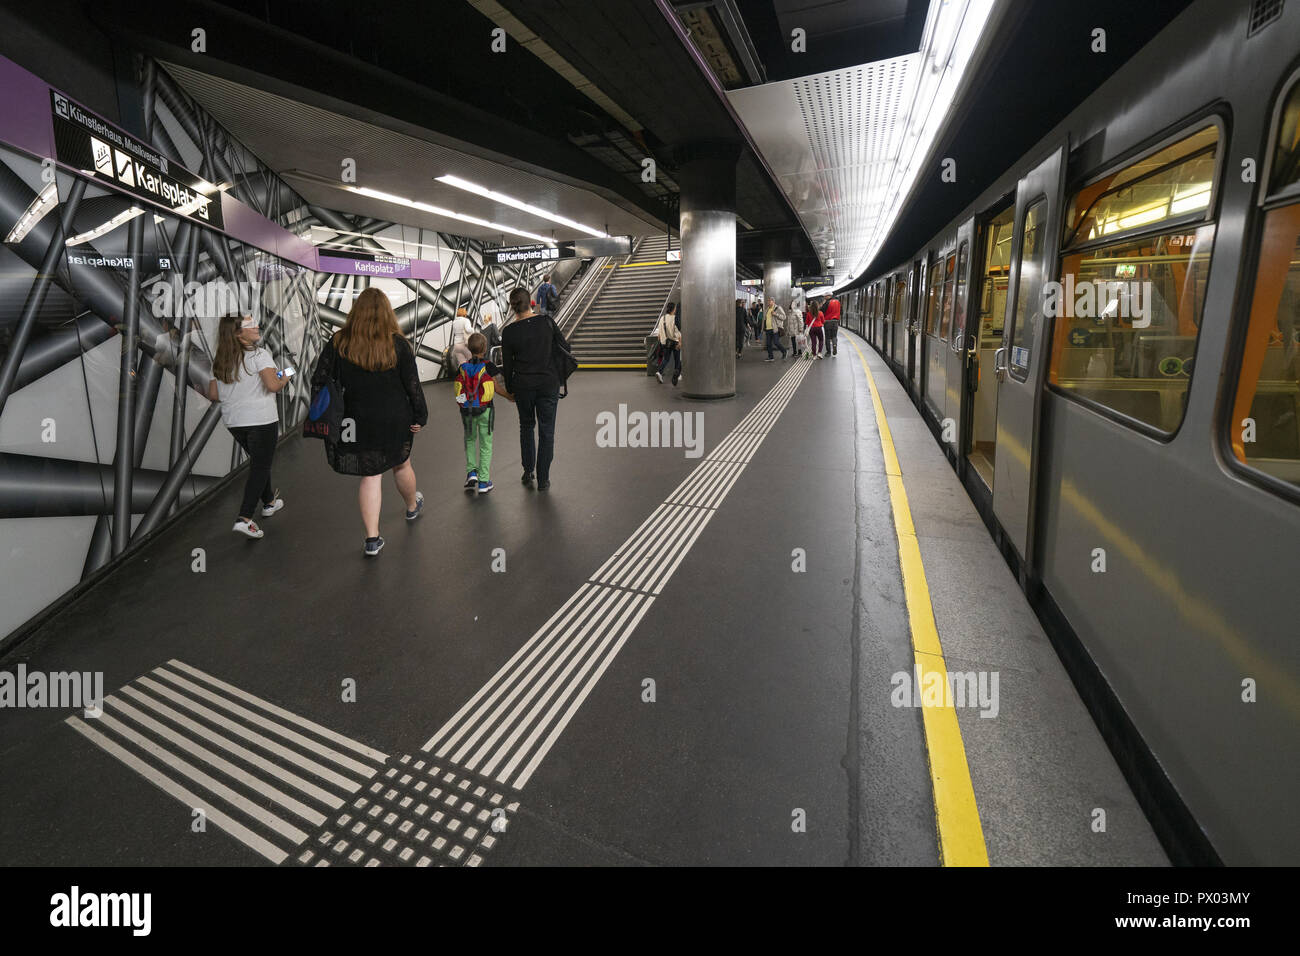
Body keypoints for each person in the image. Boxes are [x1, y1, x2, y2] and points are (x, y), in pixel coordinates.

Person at [311, 287, 427, 556]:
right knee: (401, 463)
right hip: (394, 417)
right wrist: (420, 415)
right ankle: (412, 506)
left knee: (370, 475)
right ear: (387, 312)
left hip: (356, 419)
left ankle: (372, 539)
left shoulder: (339, 342)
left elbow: (319, 379)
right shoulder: (397, 343)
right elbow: (412, 385)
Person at [207, 313, 290, 539]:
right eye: (250, 325)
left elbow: (213, 394)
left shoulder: (220, 359)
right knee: (260, 467)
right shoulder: (260, 355)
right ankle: (244, 518)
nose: (256, 326)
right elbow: (273, 384)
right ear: (237, 333)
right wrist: (287, 374)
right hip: (261, 421)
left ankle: (269, 502)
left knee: (259, 462)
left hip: (234, 422)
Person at [501, 286, 561, 490]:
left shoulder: (508, 332)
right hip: (548, 383)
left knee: (526, 426)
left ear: (512, 307)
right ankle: (543, 478)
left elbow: (507, 366)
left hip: (523, 386)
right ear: (531, 302)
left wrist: (510, 390)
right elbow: (564, 348)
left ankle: (528, 471)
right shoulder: (546, 322)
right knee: (547, 431)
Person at [455, 332, 507, 494]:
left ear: (469, 349)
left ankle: (472, 472)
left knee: (470, 440)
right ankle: (484, 481)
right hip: (486, 410)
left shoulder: (463, 367)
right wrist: (509, 396)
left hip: (467, 411)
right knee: (486, 445)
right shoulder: (488, 366)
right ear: (485, 348)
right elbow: (496, 388)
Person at [653, 301, 682, 385]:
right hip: (675, 342)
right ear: (673, 309)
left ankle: (659, 372)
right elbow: (677, 332)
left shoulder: (662, 318)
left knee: (666, 359)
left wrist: (661, 339)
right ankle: (676, 376)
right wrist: (680, 342)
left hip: (665, 343)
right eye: (675, 308)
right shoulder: (674, 318)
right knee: (677, 360)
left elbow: (659, 332)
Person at [763, 296, 787, 362]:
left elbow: (784, 317)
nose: (768, 302)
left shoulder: (778, 308)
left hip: (775, 329)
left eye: (770, 301)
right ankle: (771, 357)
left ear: (773, 301)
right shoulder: (767, 309)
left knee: (776, 342)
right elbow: (765, 319)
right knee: (768, 344)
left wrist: (775, 314)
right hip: (768, 329)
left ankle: (784, 351)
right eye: (768, 301)